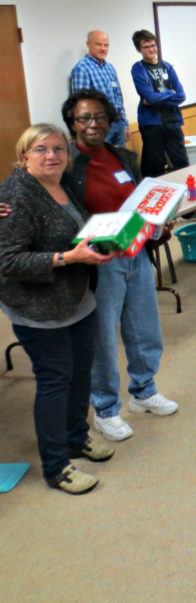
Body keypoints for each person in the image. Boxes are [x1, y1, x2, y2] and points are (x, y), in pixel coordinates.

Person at [0, 124, 115, 494]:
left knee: (81, 372)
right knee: (54, 381)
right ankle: (56, 466)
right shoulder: (15, 195)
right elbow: (9, 260)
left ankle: (75, 437)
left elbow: (76, 232)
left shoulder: (61, 186)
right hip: (38, 307)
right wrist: (68, 257)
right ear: (24, 156)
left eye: (58, 149)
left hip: (76, 299)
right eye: (40, 150)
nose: (51, 156)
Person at [61, 89, 177, 442]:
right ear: (72, 123)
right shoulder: (65, 162)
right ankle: (106, 409)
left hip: (135, 253)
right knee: (103, 339)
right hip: (99, 262)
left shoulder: (124, 156)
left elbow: (140, 201)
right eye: (83, 118)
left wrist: (158, 223)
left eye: (99, 117)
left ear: (111, 121)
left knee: (144, 328)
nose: (92, 124)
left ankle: (143, 391)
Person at [130, 30, 189, 179]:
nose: (151, 49)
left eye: (153, 45)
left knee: (181, 162)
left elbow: (181, 95)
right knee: (155, 166)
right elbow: (150, 97)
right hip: (152, 125)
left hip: (172, 121)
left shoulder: (167, 67)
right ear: (139, 50)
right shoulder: (138, 69)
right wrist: (170, 93)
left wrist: (155, 99)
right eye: (146, 47)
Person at [69, 30, 129, 147]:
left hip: (118, 124)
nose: (103, 48)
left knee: (120, 163)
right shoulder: (82, 69)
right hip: (99, 128)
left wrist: (125, 124)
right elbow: (81, 106)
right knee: (103, 164)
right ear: (88, 44)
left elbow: (118, 98)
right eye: (98, 44)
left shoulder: (110, 68)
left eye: (106, 45)